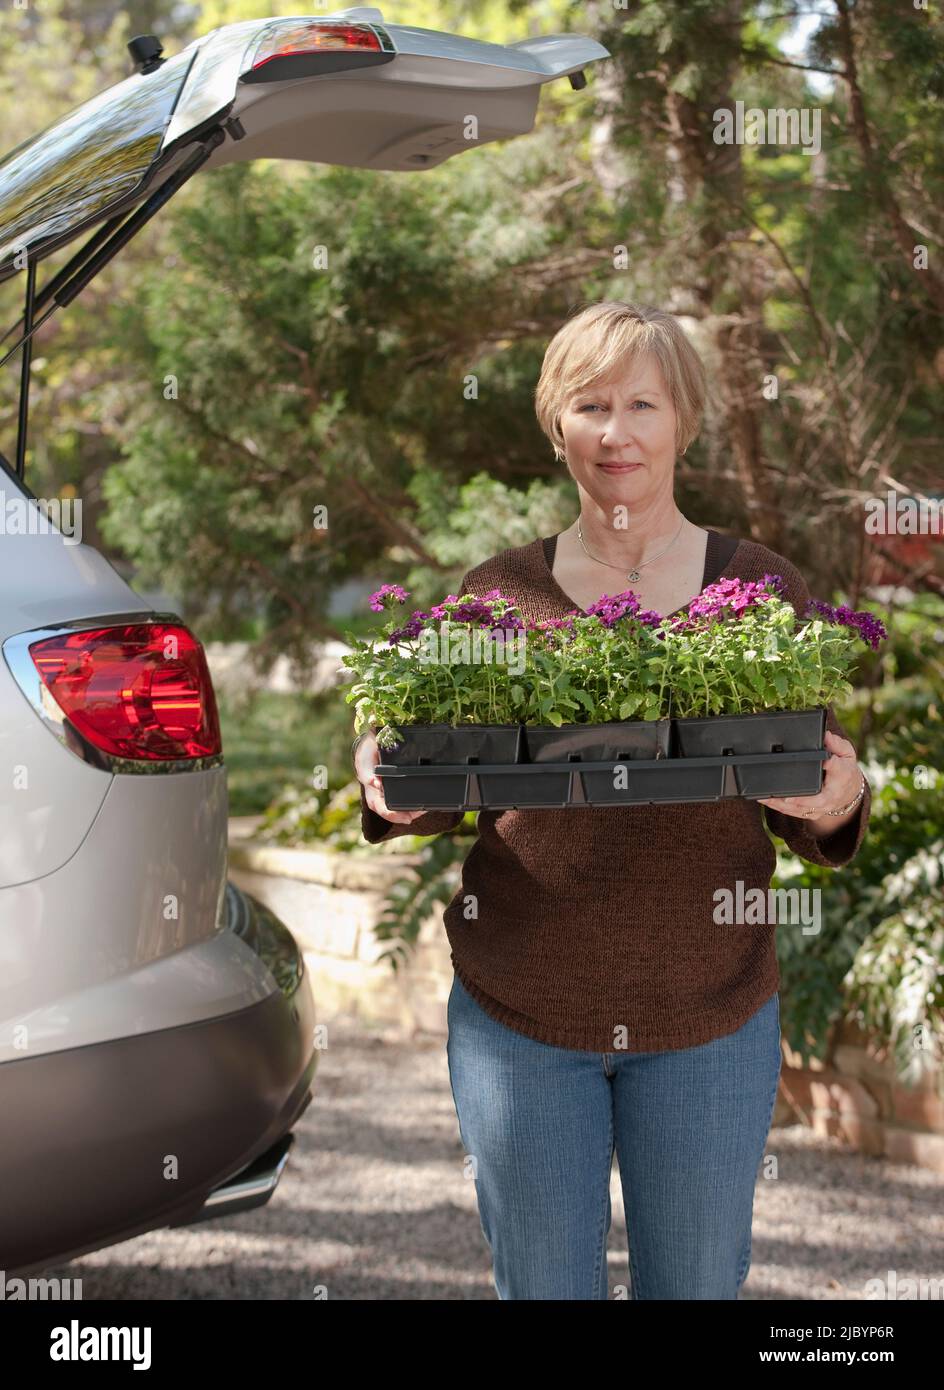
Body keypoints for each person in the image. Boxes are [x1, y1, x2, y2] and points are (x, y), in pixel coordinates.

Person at [352, 301, 871, 1300]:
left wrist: (838, 800)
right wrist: (389, 781)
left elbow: (807, 781)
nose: (616, 430)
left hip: (708, 1017)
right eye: (590, 404)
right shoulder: (496, 595)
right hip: (520, 1018)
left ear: (683, 419)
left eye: (642, 403)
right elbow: (442, 783)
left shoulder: (756, 589)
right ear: (556, 425)